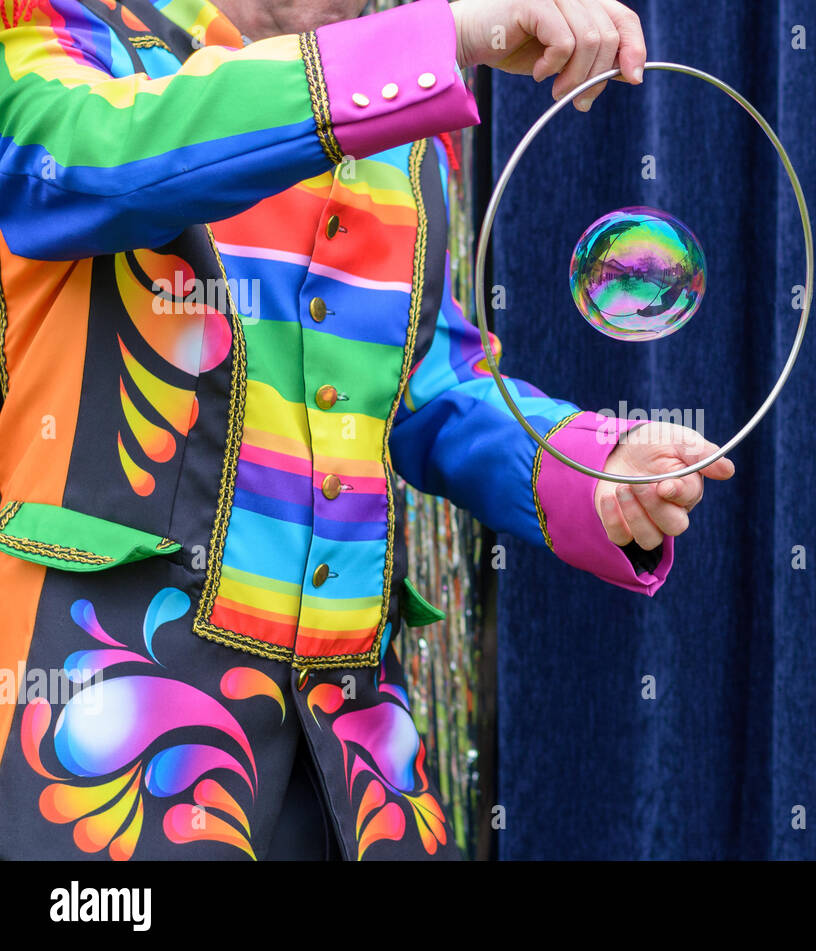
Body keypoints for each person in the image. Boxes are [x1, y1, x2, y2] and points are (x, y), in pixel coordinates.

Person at [0, 0, 734, 860]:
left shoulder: (407, 140)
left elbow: (431, 381)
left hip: (358, 766)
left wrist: (591, 467)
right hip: (102, 733)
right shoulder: (62, 29)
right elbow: (85, 159)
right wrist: (435, 43)